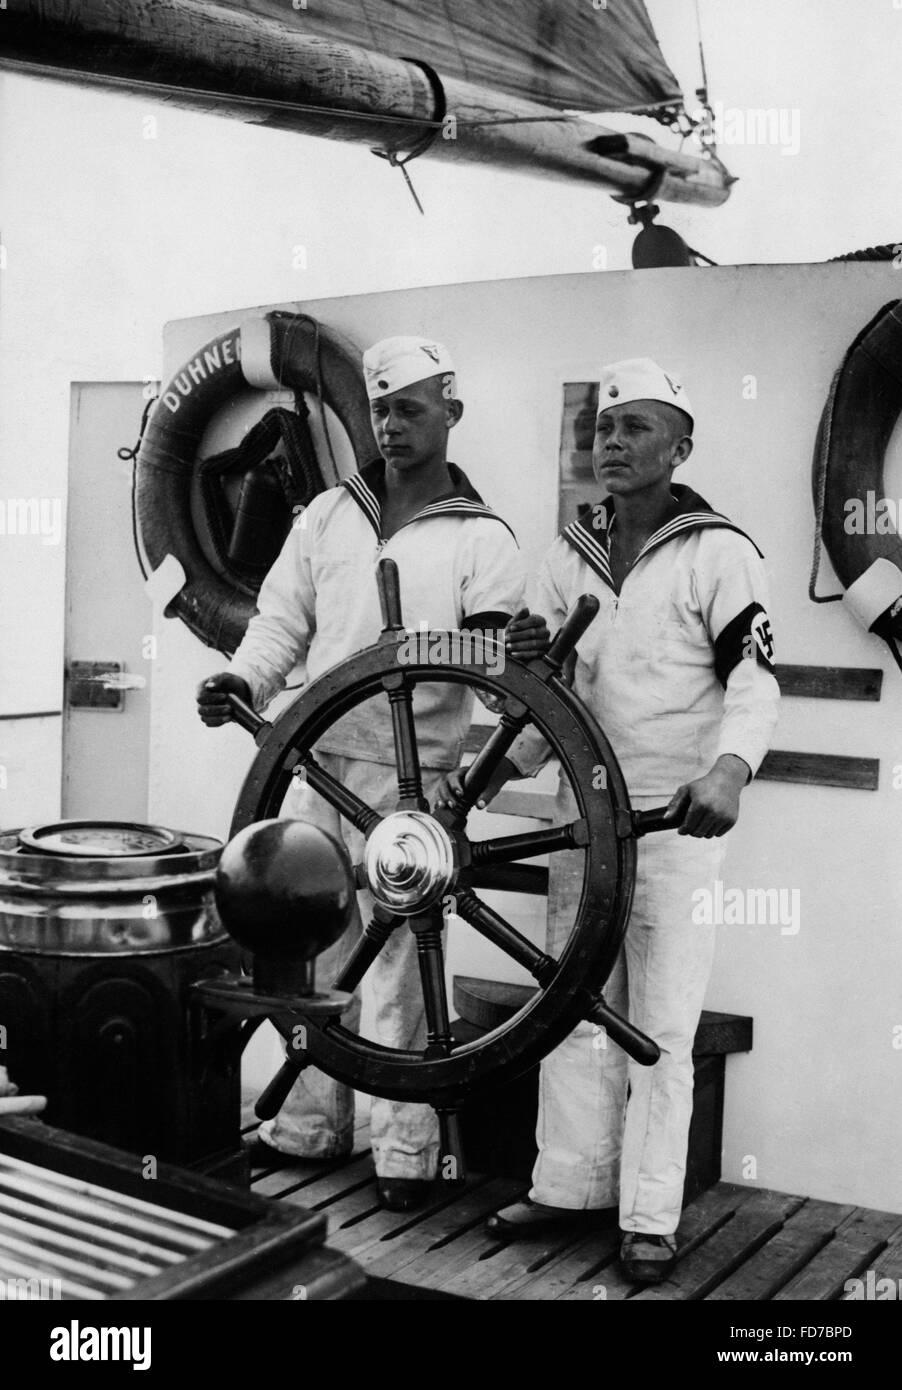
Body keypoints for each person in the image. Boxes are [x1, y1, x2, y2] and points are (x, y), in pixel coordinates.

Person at [437, 357, 780, 1281]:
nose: (613, 444)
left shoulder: (721, 552)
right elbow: (543, 704)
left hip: (675, 824)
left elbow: (754, 680)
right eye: (603, 429)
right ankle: (566, 1189)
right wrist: (467, 788)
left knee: (661, 1025)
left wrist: (731, 772)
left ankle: (649, 1216)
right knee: (571, 1009)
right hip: (579, 820)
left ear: (681, 446)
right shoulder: (567, 554)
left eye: (634, 428)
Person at [198, 335, 545, 1211]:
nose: (391, 424)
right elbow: (281, 623)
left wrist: (513, 654)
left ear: (450, 415)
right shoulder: (324, 517)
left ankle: (404, 1153)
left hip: (413, 782)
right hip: (319, 767)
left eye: (411, 408)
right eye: (382, 408)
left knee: (397, 970)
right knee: (311, 948)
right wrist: (243, 679)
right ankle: (310, 1129)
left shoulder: (484, 539)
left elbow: (496, 668)